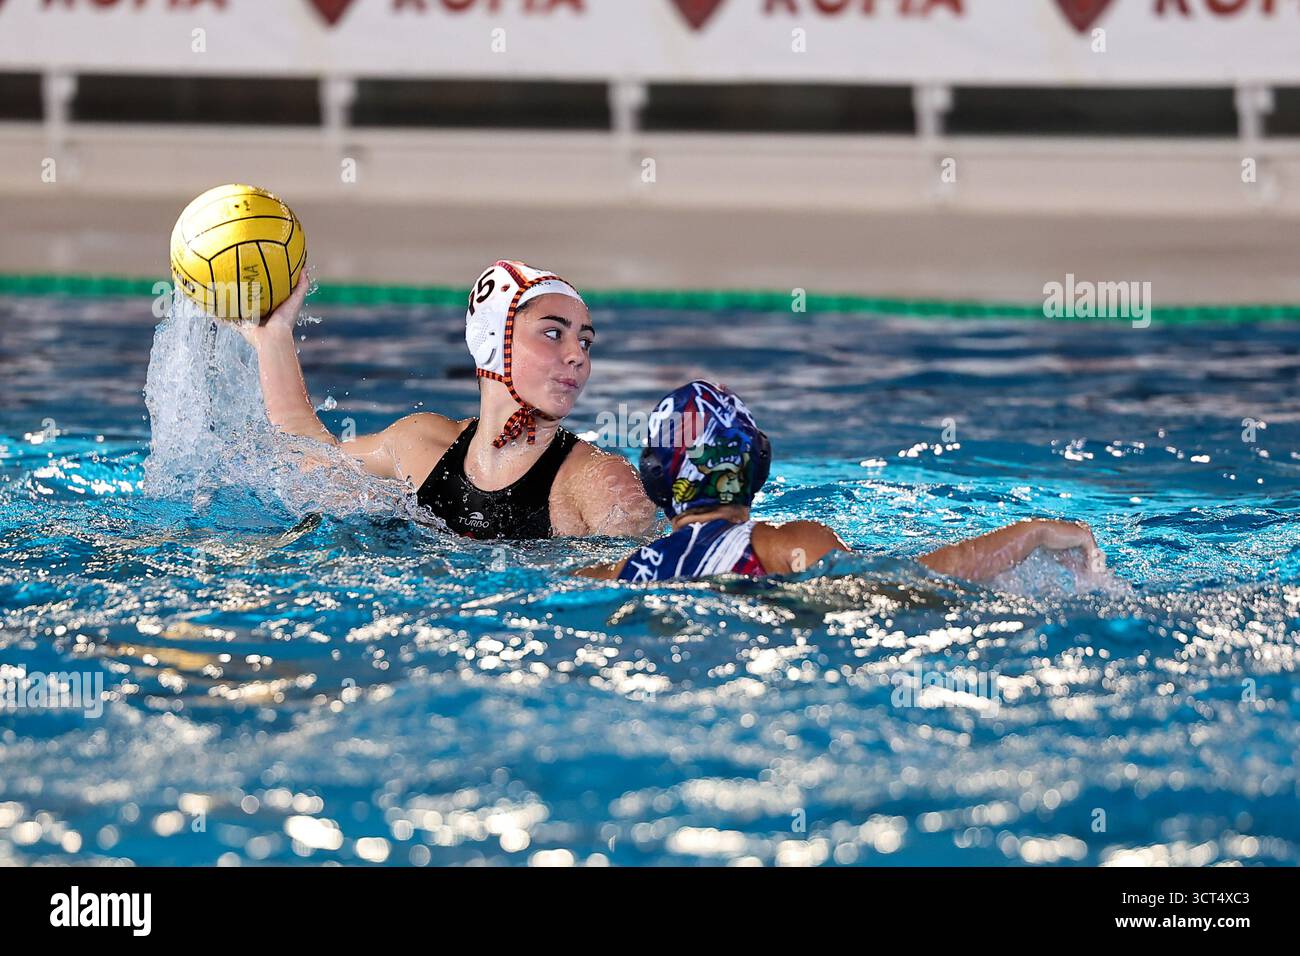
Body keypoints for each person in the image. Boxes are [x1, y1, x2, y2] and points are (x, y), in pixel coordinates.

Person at [238, 259, 657, 539]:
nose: (577, 356)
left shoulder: (599, 484)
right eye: (553, 333)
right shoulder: (418, 445)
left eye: (585, 342)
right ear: (495, 342)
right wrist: (272, 336)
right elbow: (308, 458)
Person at [577, 380, 1108, 583]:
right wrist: (1032, 532)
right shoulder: (788, 546)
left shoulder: (611, 574)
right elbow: (919, 584)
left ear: (656, 478)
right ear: (755, 468)